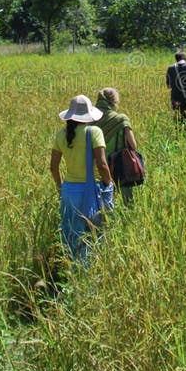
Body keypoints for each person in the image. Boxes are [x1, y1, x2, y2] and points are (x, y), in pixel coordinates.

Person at [50, 94, 114, 264]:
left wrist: (60, 186)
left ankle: (70, 268)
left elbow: (53, 166)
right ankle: (86, 272)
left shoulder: (60, 135)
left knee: (71, 233)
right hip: (89, 190)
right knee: (93, 234)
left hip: (69, 191)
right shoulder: (94, 132)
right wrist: (109, 183)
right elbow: (101, 164)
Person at [94, 87, 138, 203]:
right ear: (114, 101)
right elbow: (133, 145)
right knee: (127, 203)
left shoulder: (91, 120)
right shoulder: (121, 119)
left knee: (103, 203)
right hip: (121, 167)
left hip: (98, 167)